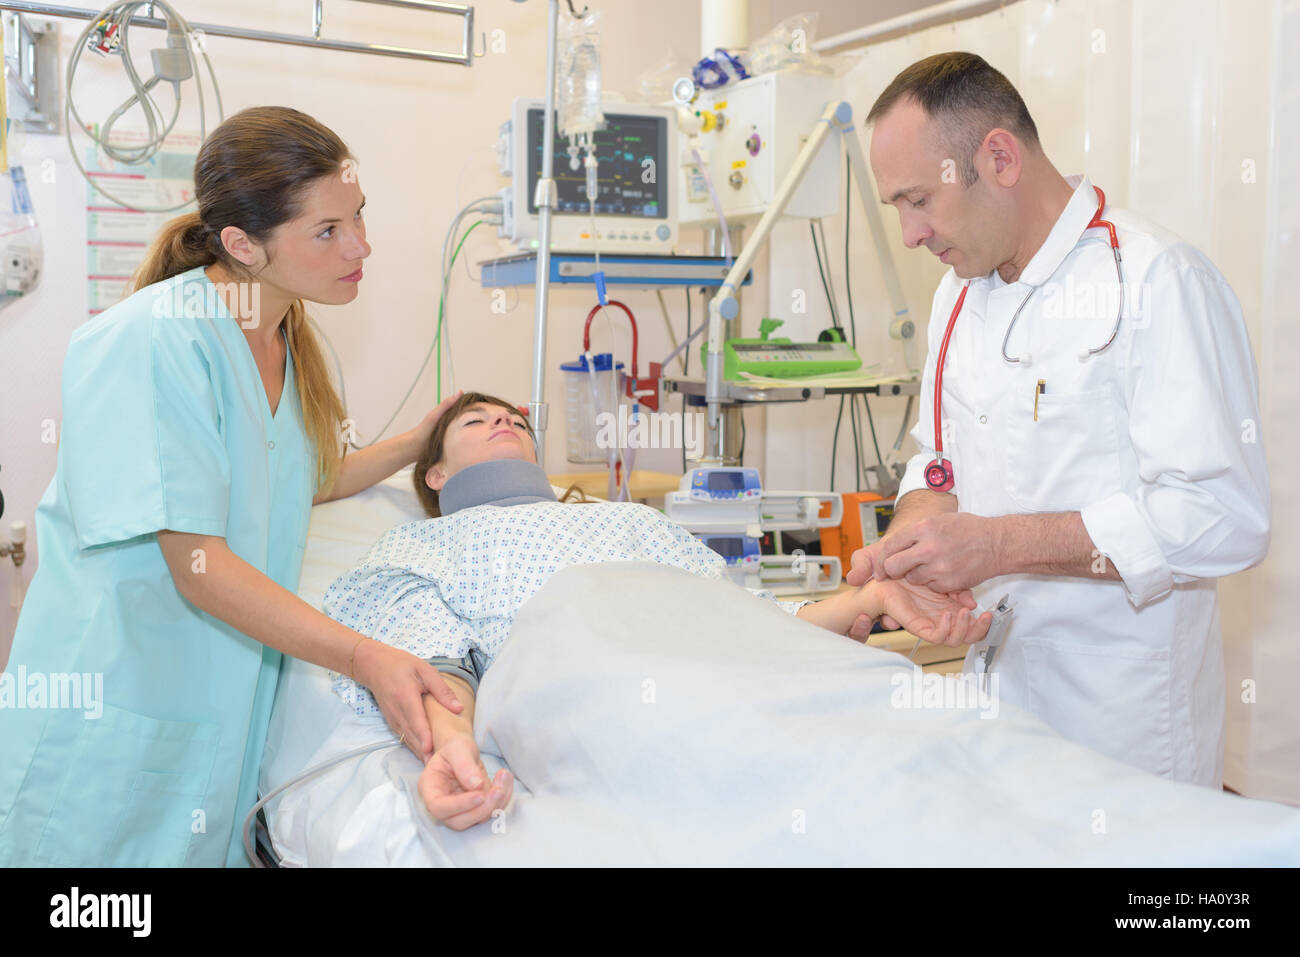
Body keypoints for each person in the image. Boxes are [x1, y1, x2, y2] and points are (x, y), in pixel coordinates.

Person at [0, 106, 465, 867]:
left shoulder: (295, 344)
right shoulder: (152, 342)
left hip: (210, 729)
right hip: (107, 724)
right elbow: (199, 564)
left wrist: (417, 443)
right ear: (245, 244)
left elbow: (291, 481)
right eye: (327, 231)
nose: (361, 246)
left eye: (359, 217)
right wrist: (365, 656)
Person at [847, 52, 1270, 786]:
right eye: (897, 210)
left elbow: (1224, 515)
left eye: (918, 199)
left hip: (1123, 727)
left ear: (999, 157)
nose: (911, 234)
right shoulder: (960, 294)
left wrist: (999, 544)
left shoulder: (1155, 279)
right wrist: (916, 538)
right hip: (999, 700)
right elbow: (937, 457)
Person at [323, 391, 993, 830]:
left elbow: (740, 618)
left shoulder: (626, 521)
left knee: (919, 751)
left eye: (518, 420)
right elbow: (433, 663)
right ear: (435, 475)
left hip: (701, 671)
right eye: (477, 421)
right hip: (583, 689)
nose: (505, 420)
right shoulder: (420, 542)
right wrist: (457, 750)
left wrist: (867, 599)